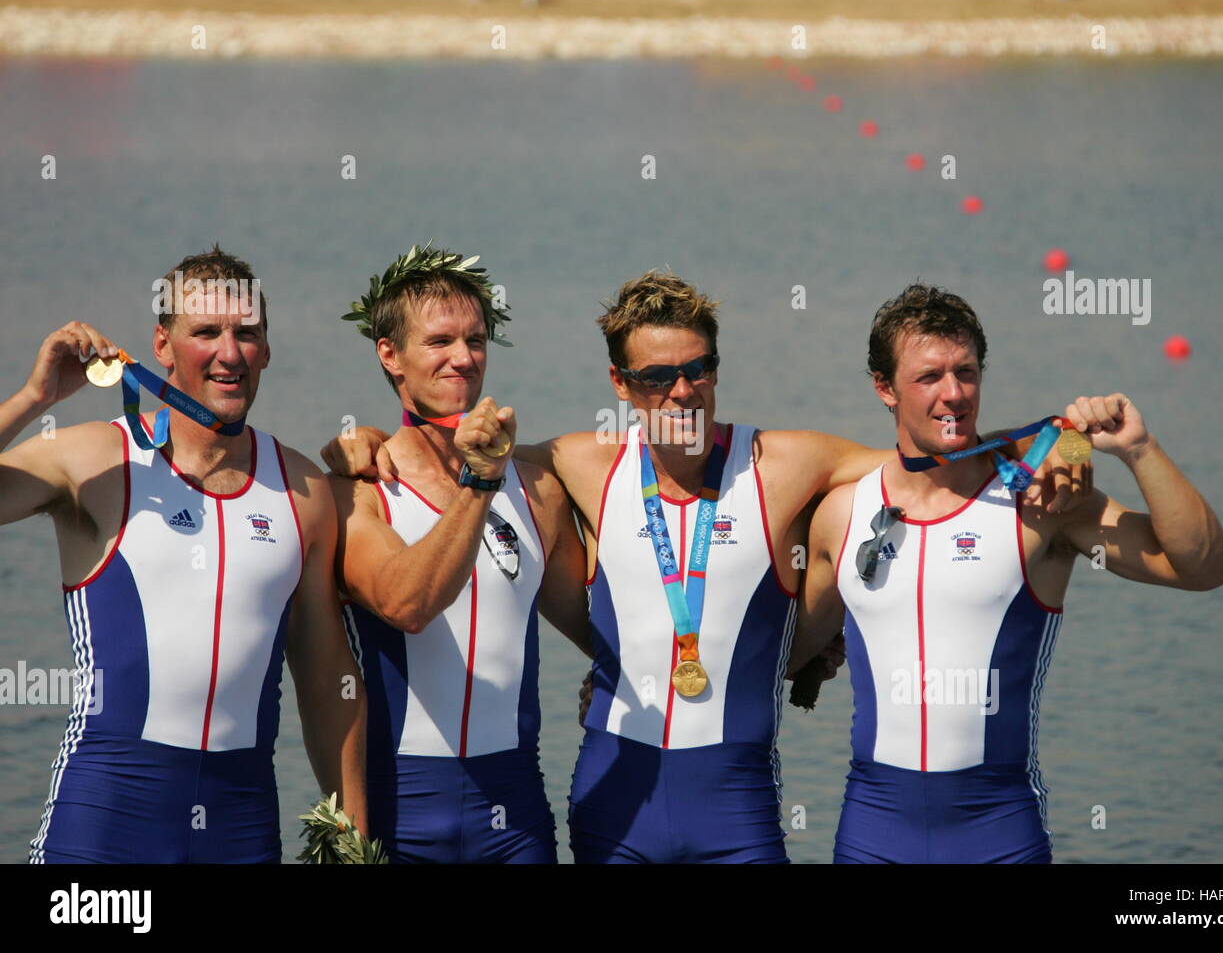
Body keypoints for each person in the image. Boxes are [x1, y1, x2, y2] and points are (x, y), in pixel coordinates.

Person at [325, 270, 1090, 863]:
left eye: (698, 368)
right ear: (621, 387)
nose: (681, 390)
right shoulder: (578, 465)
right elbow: (446, 451)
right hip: (615, 794)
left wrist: (1057, 442)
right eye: (656, 378)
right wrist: (361, 443)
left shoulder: (788, 462)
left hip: (739, 805)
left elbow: (929, 456)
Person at [792, 283, 1223, 863]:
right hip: (873, 834)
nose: (953, 394)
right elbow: (786, 651)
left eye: (967, 372)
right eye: (929, 376)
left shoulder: (1043, 504)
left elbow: (1205, 567)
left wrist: (1138, 449)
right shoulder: (841, 515)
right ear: (884, 388)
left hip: (998, 835)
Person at [0, 246, 366, 863]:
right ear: (163, 345)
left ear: (268, 349)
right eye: (206, 332)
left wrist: (354, 840)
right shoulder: (93, 462)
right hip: (104, 823)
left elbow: (328, 680)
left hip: (242, 829)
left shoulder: (303, 493)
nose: (229, 352)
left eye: (246, 333)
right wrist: (34, 398)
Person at [330, 243, 591, 863]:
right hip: (400, 814)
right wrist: (478, 482)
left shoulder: (539, 491)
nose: (463, 358)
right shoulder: (360, 493)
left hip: (517, 813)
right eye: (440, 341)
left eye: (476, 340)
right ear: (389, 354)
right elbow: (406, 603)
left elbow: (600, 627)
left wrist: (791, 643)